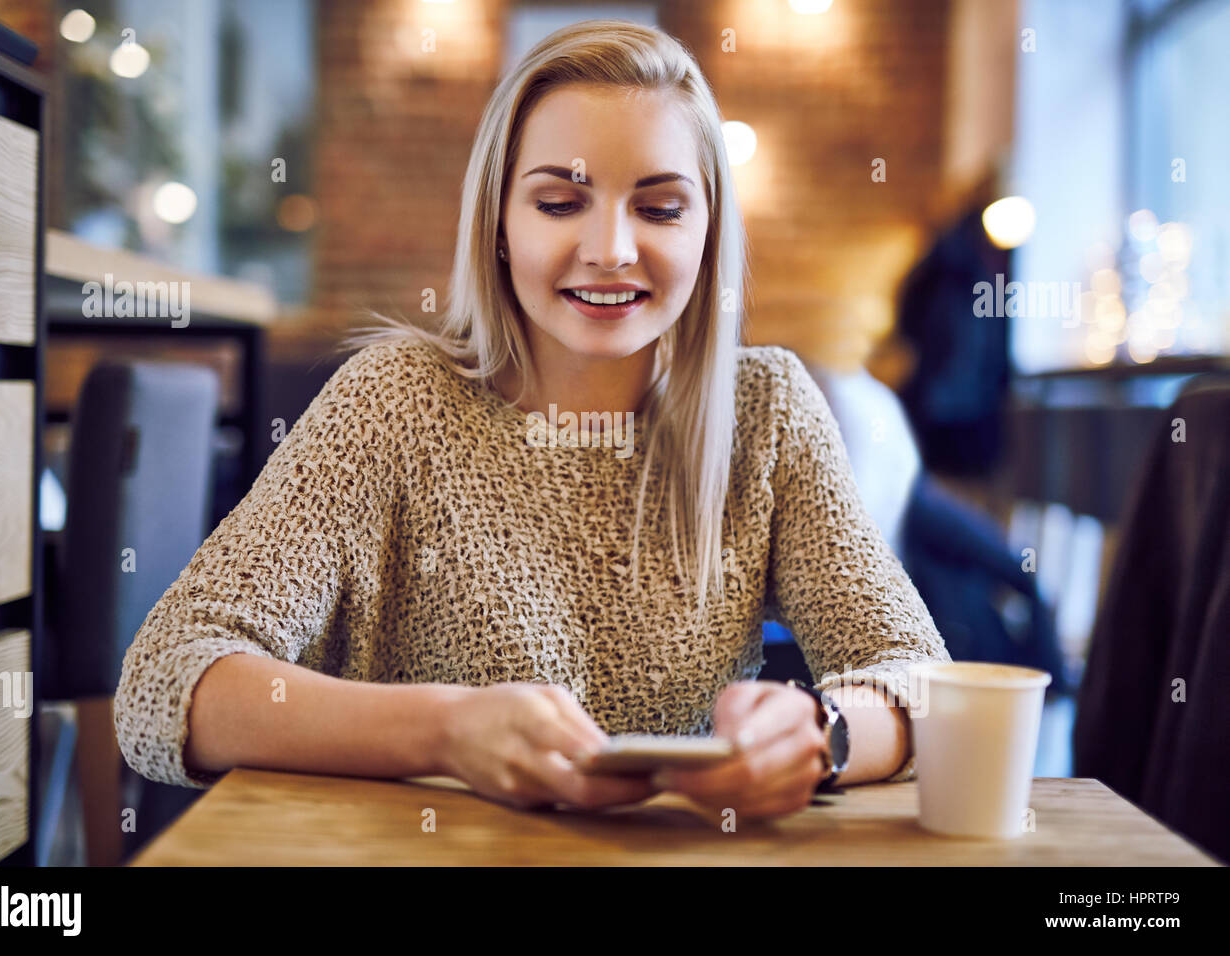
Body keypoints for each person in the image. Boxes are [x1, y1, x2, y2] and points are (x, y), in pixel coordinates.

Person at [114, 19, 950, 822]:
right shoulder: (395, 400)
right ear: (502, 225)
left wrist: (822, 734)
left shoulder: (764, 414)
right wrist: (444, 730)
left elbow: (927, 684)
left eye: (660, 208)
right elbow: (164, 681)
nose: (612, 249)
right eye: (560, 203)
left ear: (708, 232)